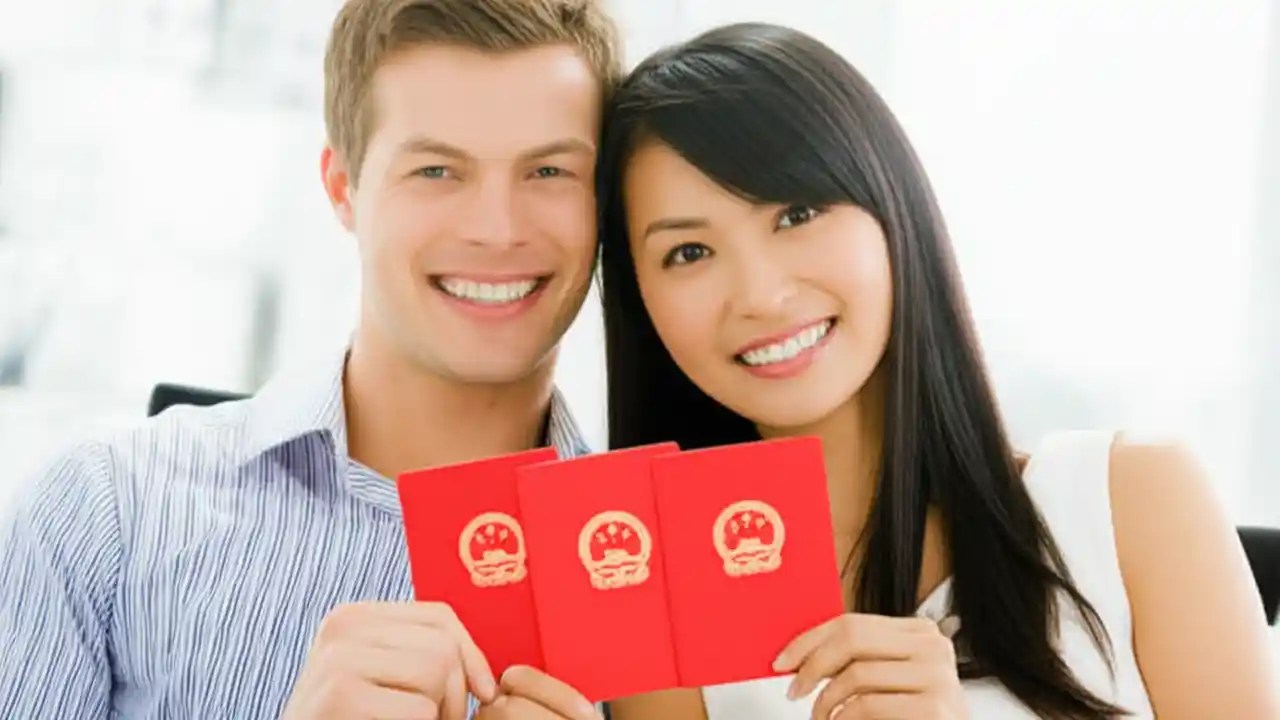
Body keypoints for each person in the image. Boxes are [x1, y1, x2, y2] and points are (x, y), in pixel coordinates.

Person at [596, 22, 1280, 719]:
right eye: (688, 253)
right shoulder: (649, 600)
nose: (760, 295)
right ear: (639, 300)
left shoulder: (1130, 499)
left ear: (893, 208)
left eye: (797, 213)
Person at [0, 1, 622, 719]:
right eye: (436, 171)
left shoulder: (674, 575)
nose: (496, 228)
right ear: (342, 189)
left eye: (548, 171)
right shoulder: (103, 515)